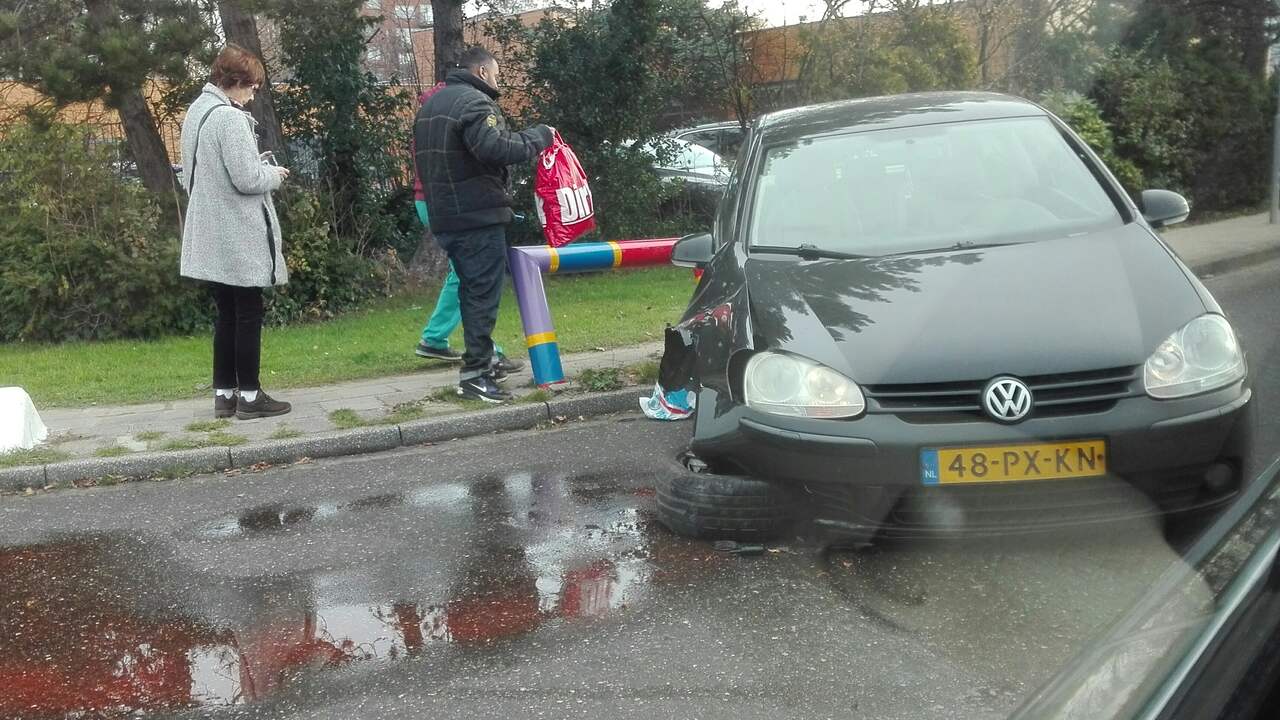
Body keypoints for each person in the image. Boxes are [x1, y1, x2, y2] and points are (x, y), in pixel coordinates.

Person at [415, 47, 553, 403]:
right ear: (480, 71)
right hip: (476, 214)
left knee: (469, 289)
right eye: (495, 73)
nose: (497, 80)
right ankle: (475, 374)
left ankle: (483, 361)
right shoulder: (475, 103)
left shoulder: (432, 106)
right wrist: (539, 136)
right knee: (481, 294)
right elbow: (494, 148)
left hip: (445, 214)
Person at [179, 44, 292, 420]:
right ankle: (250, 396)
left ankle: (224, 394)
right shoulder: (230, 118)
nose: (254, 92)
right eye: (252, 85)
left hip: (210, 228)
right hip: (237, 232)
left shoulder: (197, 111)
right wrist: (273, 175)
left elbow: (203, 170)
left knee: (226, 313)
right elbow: (246, 180)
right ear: (236, 81)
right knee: (248, 311)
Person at [410, 82, 521, 375]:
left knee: (463, 274)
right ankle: (482, 355)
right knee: (473, 276)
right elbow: (483, 151)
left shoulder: (431, 110)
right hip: (447, 201)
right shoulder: (462, 106)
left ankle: (439, 339)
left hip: (429, 199)